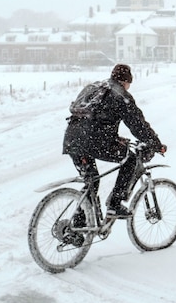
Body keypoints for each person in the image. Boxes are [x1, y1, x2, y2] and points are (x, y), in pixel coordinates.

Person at [62, 63, 165, 220]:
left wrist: (114, 138)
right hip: (93, 140)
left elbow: (93, 118)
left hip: (72, 139)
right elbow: (138, 125)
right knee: (130, 160)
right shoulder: (121, 95)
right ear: (126, 81)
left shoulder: (95, 87)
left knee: (92, 182)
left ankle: (78, 225)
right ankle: (114, 205)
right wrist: (155, 144)